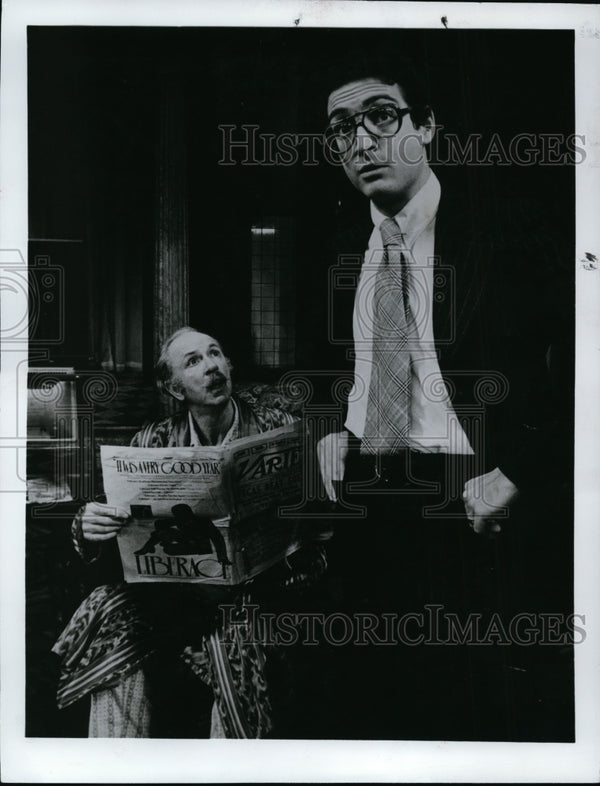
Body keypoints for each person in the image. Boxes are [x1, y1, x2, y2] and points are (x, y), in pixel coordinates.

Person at [315, 50, 573, 740]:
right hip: (372, 492)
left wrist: (521, 470)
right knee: (378, 703)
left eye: (380, 116)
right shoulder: (343, 242)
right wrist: (339, 425)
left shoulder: (506, 227)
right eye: (342, 127)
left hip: (481, 494)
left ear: (426, 125)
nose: (361, 140)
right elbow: (350, 360)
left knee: (481, 709)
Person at [52, 327, 327, 738]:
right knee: (108, 608)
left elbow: (318, 528)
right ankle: (115, 765)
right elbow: (113, 517)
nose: (212, 366)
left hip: (262, 591)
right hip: (174, 594)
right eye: (194, 361)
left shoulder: (277, 428)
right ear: (174, 388)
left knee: (235, 637)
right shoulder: (152, 441)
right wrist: (88, 523)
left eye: (215, 354)